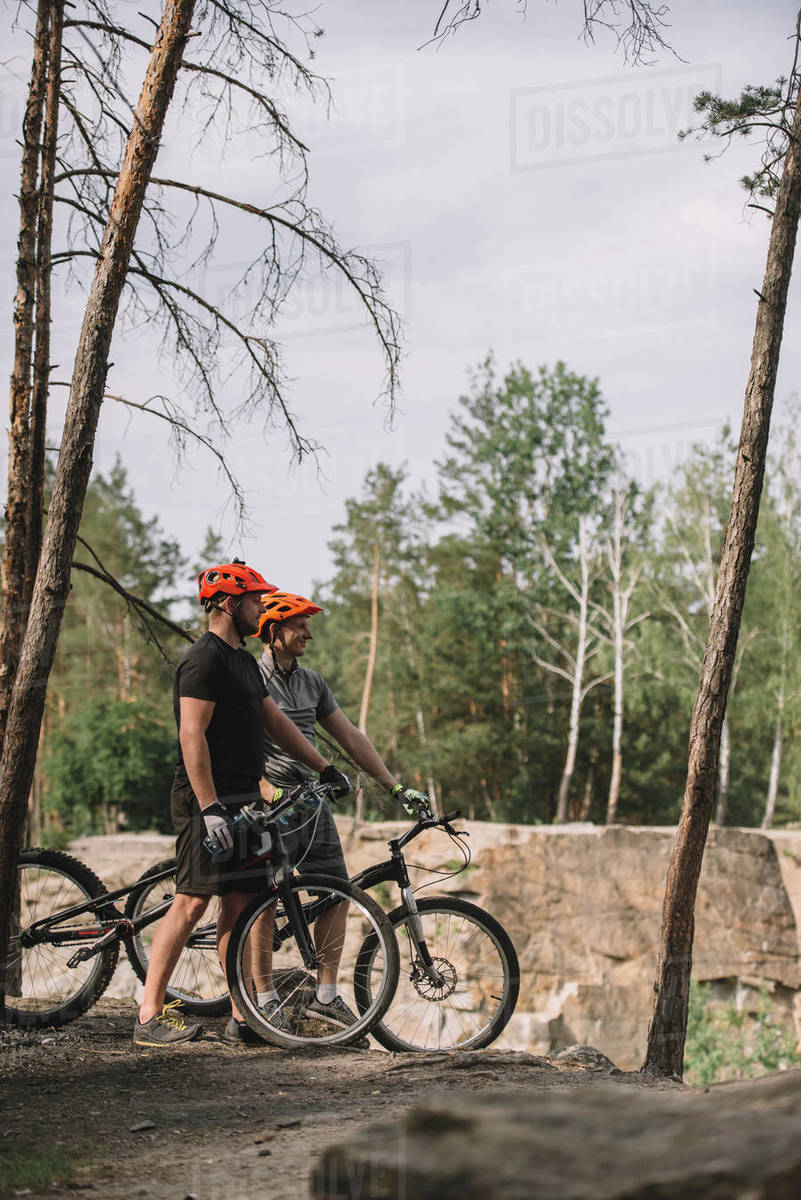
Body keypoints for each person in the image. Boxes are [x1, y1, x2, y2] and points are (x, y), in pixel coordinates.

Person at [133, 561, 349, 1047]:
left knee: (242, 906)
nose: (261, 607)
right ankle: (148, 1014)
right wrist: (209, 809)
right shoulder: (203, 660)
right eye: (255, 600)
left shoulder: (244, 662)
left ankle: (242, 1015)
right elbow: (192, 735)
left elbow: (277, 725)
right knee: (190, 903)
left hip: (244, 801)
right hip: (206, 801)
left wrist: (323, 766)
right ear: (230, 604)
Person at [254, 590, 428, 1034]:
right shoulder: (252, 678)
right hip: (265, 804)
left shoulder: (312, 682)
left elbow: (350, 736)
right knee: (263, 902)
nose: (309, 633)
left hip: (310, 802)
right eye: (300, 627)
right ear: (274, 632)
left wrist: (395, 786)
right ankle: (265, 999)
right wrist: (263, 789)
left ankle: (326, 995)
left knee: (336, 891)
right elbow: (234, 747)